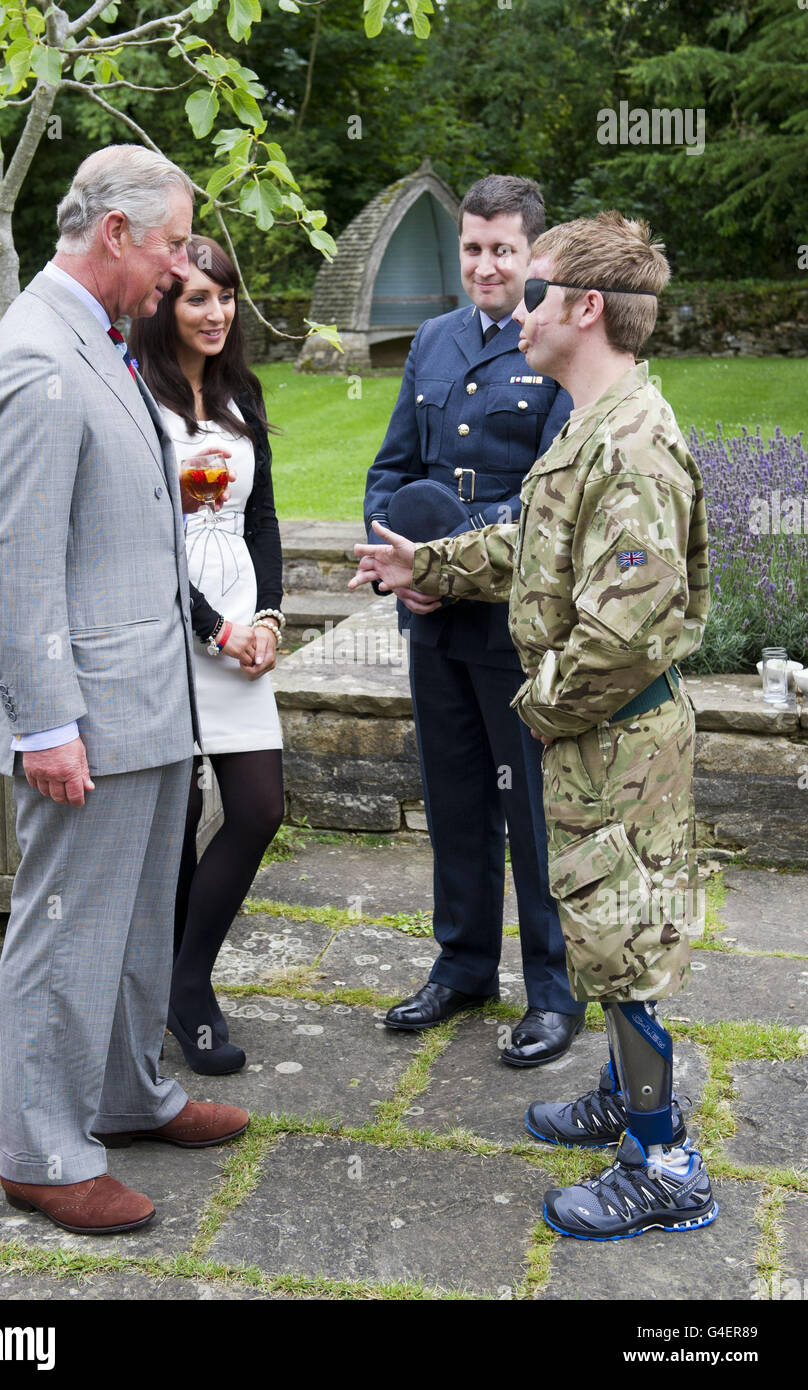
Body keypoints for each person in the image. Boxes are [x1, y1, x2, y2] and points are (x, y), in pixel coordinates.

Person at [351, 210, 717, 1240]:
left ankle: (664, 1159)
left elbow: (628, 633)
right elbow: (527, 542)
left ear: (586, 307)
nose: (516, 301)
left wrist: (536, 708)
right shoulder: (592, 424)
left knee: (626, 942)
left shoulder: (634, 443)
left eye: (537, 285)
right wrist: (421, 565)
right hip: (595, 736)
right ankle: (621, 1090)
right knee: (607, 931)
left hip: (617, 739)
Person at [0, 146, 249, 1238]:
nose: (183, 270)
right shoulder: (38, 356)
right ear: (119, 234)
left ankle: (129, 1094)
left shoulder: (99, 339)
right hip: (82, 713)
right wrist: (46, 724)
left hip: (146, 702)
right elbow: (13, 558)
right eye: (174, 244)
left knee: (135, 925)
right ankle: (41, 1153)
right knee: (66, 928)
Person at [362, 175, 583, 1066]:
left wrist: (449, 567)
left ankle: (554, 989)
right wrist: (395, 564)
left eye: (502, 250)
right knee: (453, 795)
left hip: (510, 621)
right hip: (432, 620)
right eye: (472, 249)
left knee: (527, 805)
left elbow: (550, 502)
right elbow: (392, 469)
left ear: (533, 257)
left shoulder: (554, 345)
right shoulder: (432, 341)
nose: (485, 266)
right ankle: (461, 968)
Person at [129, 236, 285, 1076]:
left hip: (238, 631)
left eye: (225, 296)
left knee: (258, 806)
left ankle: (184, 981)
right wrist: (211, 627)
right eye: (198, 298)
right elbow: (147, 537)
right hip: (166, 626)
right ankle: (184, 995)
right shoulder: (135, 398)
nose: (217, 312)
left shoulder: (240, 392)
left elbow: (263, 522)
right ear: (164, 305)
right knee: (179, 819)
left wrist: (266, 617)